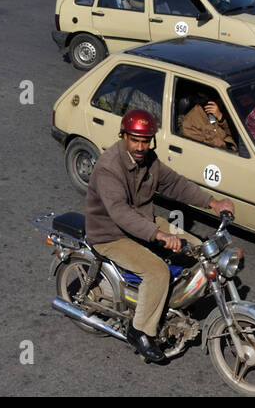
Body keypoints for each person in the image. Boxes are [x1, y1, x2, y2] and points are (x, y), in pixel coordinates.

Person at [85, 109, 236, 363]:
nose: (141, 146)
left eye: (145, 140)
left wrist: (213, 202)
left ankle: (175, 301)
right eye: (135, 139)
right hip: (111, 234)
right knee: (157, 272)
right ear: (124, 136)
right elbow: (120, 213)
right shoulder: (108, 168)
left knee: (199, 248)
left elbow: (176, 184)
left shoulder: (148, 160)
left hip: (143, 222)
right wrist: (159, 235)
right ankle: (140, 330)